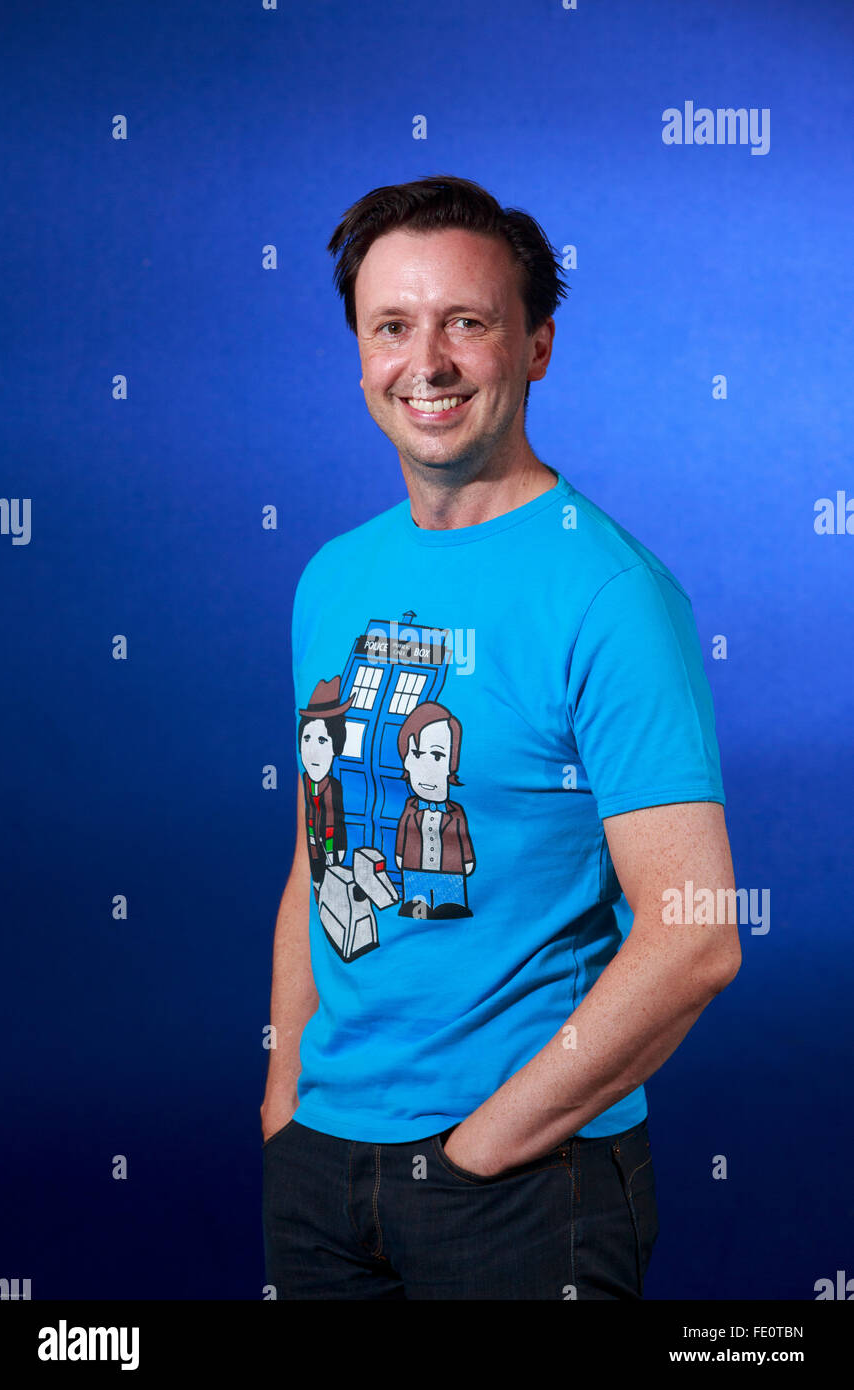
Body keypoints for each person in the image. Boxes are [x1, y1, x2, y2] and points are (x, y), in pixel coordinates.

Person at [260, 175, 741, 1300]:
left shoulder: (608, 592)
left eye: (465, 323)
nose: (423, 362)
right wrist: (287, 1097)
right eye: (391, 326)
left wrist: (481, 1146)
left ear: (535, 347)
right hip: (323, 1167)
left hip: (522, 1180)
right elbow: (315, 857)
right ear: (359, 348)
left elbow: (696, 933)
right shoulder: (334, 576)